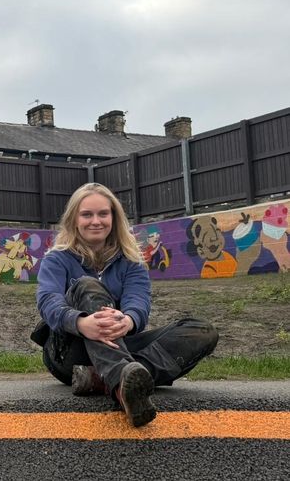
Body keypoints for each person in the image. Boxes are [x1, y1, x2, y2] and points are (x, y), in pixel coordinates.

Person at [33, 183, 218, 427]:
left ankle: (102, 378)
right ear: (74, 220)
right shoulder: (57, 259)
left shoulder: (132, 261)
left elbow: (138, 302)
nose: (95, 221)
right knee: (87, 284)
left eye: (103, 214)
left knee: (202, 331)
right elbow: (48, 301)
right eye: (87, 214)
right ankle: (122, 384)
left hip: (117, 342)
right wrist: (81, 322)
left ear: (114, 218)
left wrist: (127, 321)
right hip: (69, 351)